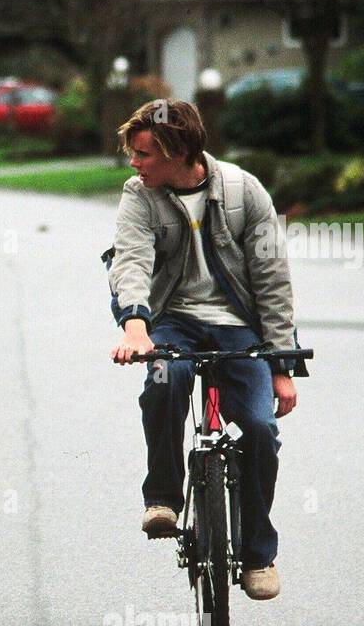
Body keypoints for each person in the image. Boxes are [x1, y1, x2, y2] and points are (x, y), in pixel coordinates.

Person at [108, 99, 306, 600]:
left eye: (144, 154)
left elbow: (273, 283)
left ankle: (259, 553)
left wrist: (282, 365)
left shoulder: (244, 192)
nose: (134, 163)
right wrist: (136, 326)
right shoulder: (140, 195)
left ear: (178, 152)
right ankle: (163, 498)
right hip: (171, 320)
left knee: (261, 428)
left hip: (239, 327)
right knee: (164, 382)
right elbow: (130, 260)